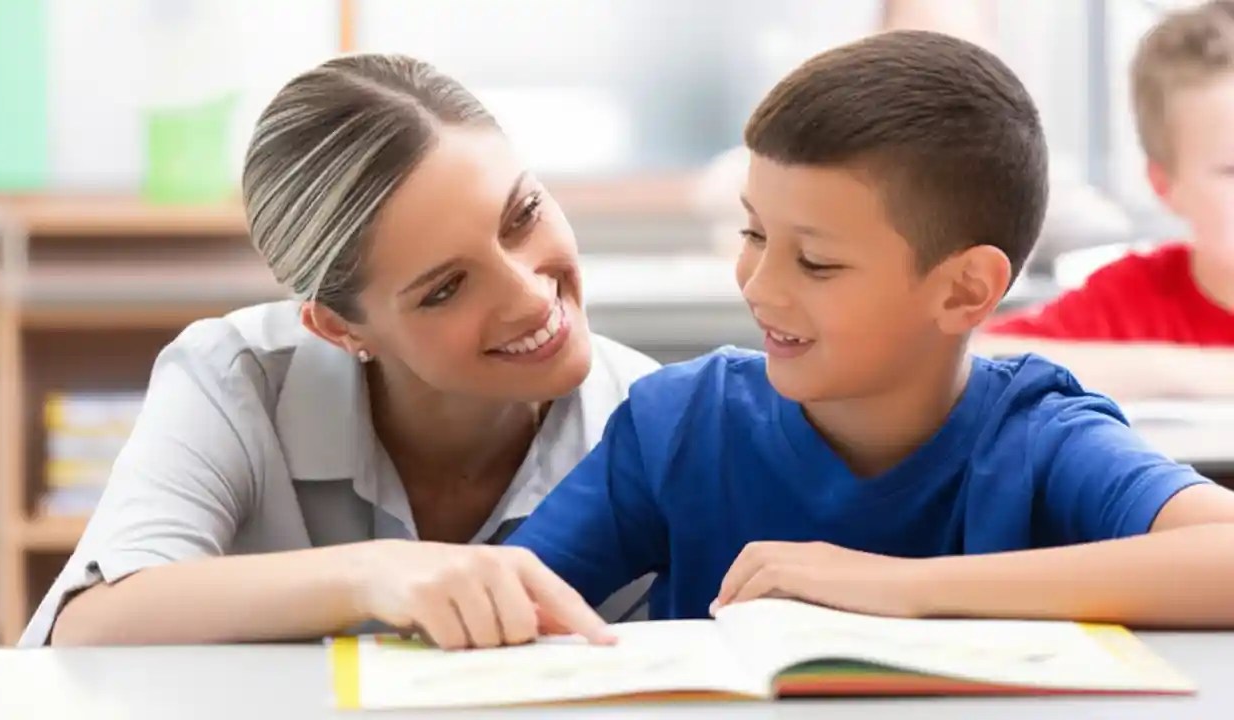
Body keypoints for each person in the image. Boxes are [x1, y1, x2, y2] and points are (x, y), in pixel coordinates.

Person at [506, 31, 1234, 625]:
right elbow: (507, 592)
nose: (761, 287)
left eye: (816, 263)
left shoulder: (1038, 436)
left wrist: (906, 588)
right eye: (754, 235)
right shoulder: (678, 425)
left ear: (964, 290)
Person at [23, 54, 659, 649]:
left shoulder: (659, 420)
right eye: (444, 289)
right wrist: (369, 575)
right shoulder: (238, 379)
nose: (529, 298)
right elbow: (86, 627)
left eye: (522, 215)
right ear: (338, 328)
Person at [978, 0, 1234, 399]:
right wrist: (1188, 372)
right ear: (1165, 186)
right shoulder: (1134, 297)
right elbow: (969, 362)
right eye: (1231, 171)